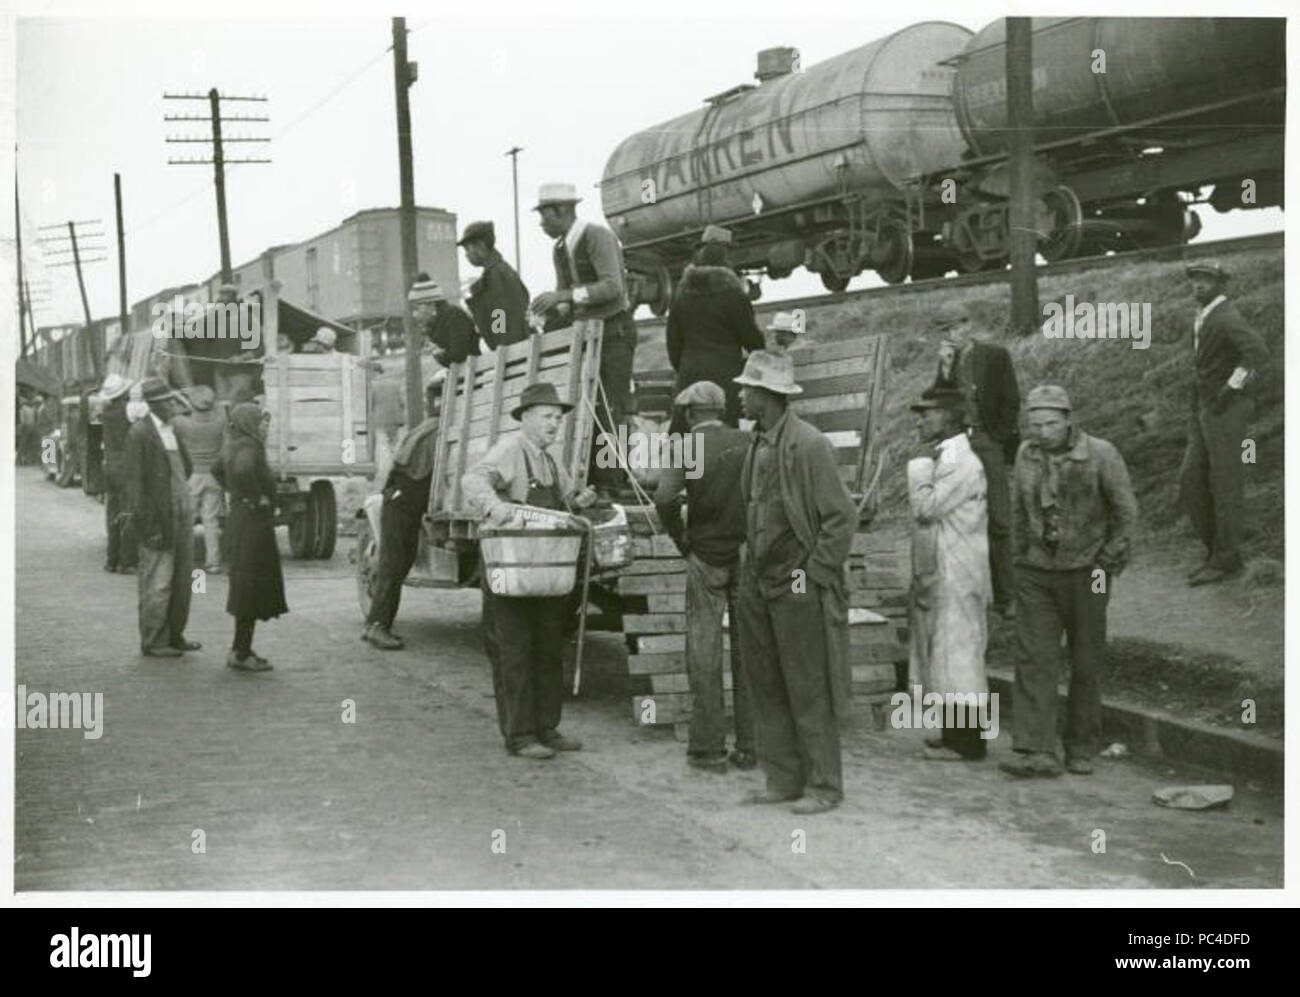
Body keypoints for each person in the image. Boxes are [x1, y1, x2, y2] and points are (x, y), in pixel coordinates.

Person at [733, 351, 856, 814]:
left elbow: (841, 519)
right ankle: (783, 779)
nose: (740, 395)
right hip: (759, 582)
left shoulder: (809, 445)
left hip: (795, 583)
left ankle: (824, 786)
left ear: (766, 396)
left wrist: (812, 574)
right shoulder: (757, 442)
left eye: (746, 388)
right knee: (765, 683)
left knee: (808, 686)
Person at [1001, 386, 1138, 778]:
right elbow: (1015, 510)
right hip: (1036, 571)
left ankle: (1081, 747)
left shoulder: (1101, 454)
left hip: (1089, 572)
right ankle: (1035, 748)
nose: (1041, 431)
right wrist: (1019, 561)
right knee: (1034, 658)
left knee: (1086, 658)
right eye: (1034, 423)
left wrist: (1107, 562)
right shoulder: (1025, 454)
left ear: (1068, 420)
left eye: (1050, 423)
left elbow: (1126, 512)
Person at [461, 381, 598, 759]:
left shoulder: (550, 460)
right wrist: (494, 507)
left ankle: (546, 728)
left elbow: (563, 503)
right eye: (547, 417)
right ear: (526, 418)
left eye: (558, 418)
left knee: (547, 648)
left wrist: (579, 501)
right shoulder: (511, 449)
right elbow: (472, 480)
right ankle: (520, 735)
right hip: (511, 568)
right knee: (514, 650)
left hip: (544, 571)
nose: (555, 424)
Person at [653, 380, 757, 773]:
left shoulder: (685, 448)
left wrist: (683, 541)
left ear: (689, 413)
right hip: (745, 554)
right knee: (749, 648)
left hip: (706, 556)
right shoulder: (749, 443)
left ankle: (709, 747)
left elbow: (664, 499)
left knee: (704, 647)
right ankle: (751, 745)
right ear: (722, 410)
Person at [528, 182, 637, 493]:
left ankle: (610, 483)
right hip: (591, 335)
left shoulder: (596, 236)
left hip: (614, 331)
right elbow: (569, 302)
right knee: (590, 407)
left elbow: (613, 287)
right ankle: (596, 478)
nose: (542, 223)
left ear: (562, 211)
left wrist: (561, 296)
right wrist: (548, 313)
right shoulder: (561, 248)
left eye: (545, 216)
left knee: (610, 407)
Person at [906, 387, 992, 762]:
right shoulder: (949, 456)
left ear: (950, 417)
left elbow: (926, 508)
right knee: (946, 651)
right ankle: (954, 732)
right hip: (948, 565)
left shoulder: (958, 461)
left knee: (959, 653)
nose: (921, 420)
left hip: (958, 568)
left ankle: (969, 743)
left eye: (928, 413)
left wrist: (918, 469)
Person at [1177, 260, 1269, 586]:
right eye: (1195, 280)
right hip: (1205, 407)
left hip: (1227, 408)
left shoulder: (1226, 315)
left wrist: (1231, 388)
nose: (1199, 285)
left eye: (1206, 280)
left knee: (1226, 483)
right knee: (1190, 478)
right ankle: (1216, 552)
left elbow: (1257, 353)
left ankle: (1226, 559)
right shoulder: (1204, 314)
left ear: (1220, 284)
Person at [931, 303, 1020, 618]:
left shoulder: (995, 356)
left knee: (998, 518)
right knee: (958, 515)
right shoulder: (948, 362)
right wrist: (943, 371)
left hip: (986, 439)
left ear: (968, 325)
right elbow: (935, 401)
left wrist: (998, 437)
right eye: (944, 330)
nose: (951, 335)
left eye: (955, 327)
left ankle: (1007, 596)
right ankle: (968, 593)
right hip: (957, 442)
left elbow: (1011, 400)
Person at [123, 376, 201, 658]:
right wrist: (149, 525)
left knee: (181, 578)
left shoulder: (173, 431)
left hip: (181, 513)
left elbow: (187, 469)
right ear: (154, 405)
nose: (173, 405)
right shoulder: (140, 434)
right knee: (158, 581)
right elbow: (135, 487)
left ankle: (175, 635)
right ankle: (154, 640)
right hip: (158, 519)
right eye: (168, 401)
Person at [665, 225, 764, 430]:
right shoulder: (733, 294)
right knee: (722, 439)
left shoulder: (682, 294)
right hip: (725, 378)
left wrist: (685, 367)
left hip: (689, 375)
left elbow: (672, 343)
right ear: (726, 258)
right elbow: (752, 340)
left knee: (685, 440)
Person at [211, 404, 287, 671]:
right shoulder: (250, 447)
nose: (265, 427)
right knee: (250, 587)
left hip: (240, 520)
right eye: (261, 422)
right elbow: (243, 470)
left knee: (245, 585)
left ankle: (240, 649)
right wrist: (256, 497)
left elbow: (217, 469)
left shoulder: (233, 444)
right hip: (253, 524)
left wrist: (236, 493)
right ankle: (241, 653)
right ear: (249, 423)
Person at [361, 411, 440, 650]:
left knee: (398, 564)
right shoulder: (436, 433)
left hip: (400, 503)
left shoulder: (425, 430)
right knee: (393, 566)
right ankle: (377, 627)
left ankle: (374, 625)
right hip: (401, 506)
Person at [173, 384, 227, 574]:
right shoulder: (220, 422)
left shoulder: (182, 423)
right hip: (213, 475)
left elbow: (174, 413)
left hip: (192, 476)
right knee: (210, 520)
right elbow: (220, 410)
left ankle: (185, 561)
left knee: (186, 520)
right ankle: (213, 563)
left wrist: (183, 396)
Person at [460, 220, 532, 350]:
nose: (466, 255)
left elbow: (499, 313)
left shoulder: (495, 275)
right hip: (517, 349)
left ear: (480, 246)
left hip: (511, 353)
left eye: (467, 249)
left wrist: (501, 348)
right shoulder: (501, 271)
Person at [98, 374, 138, 574]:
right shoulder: (127, 411)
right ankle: (127, 560)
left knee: (112, 512)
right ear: (123, 394)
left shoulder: (106, 412)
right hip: (126, 465)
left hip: (110, 464)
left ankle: (111, 559)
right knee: (129, 512)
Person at [409, 276, 479, 365]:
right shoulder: (434, 323)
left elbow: (459, 356)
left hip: (472, 373)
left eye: (416, 308)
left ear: (429, 304)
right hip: (463, 373)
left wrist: (438, 353)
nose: (414, 314)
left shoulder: (454, 316)